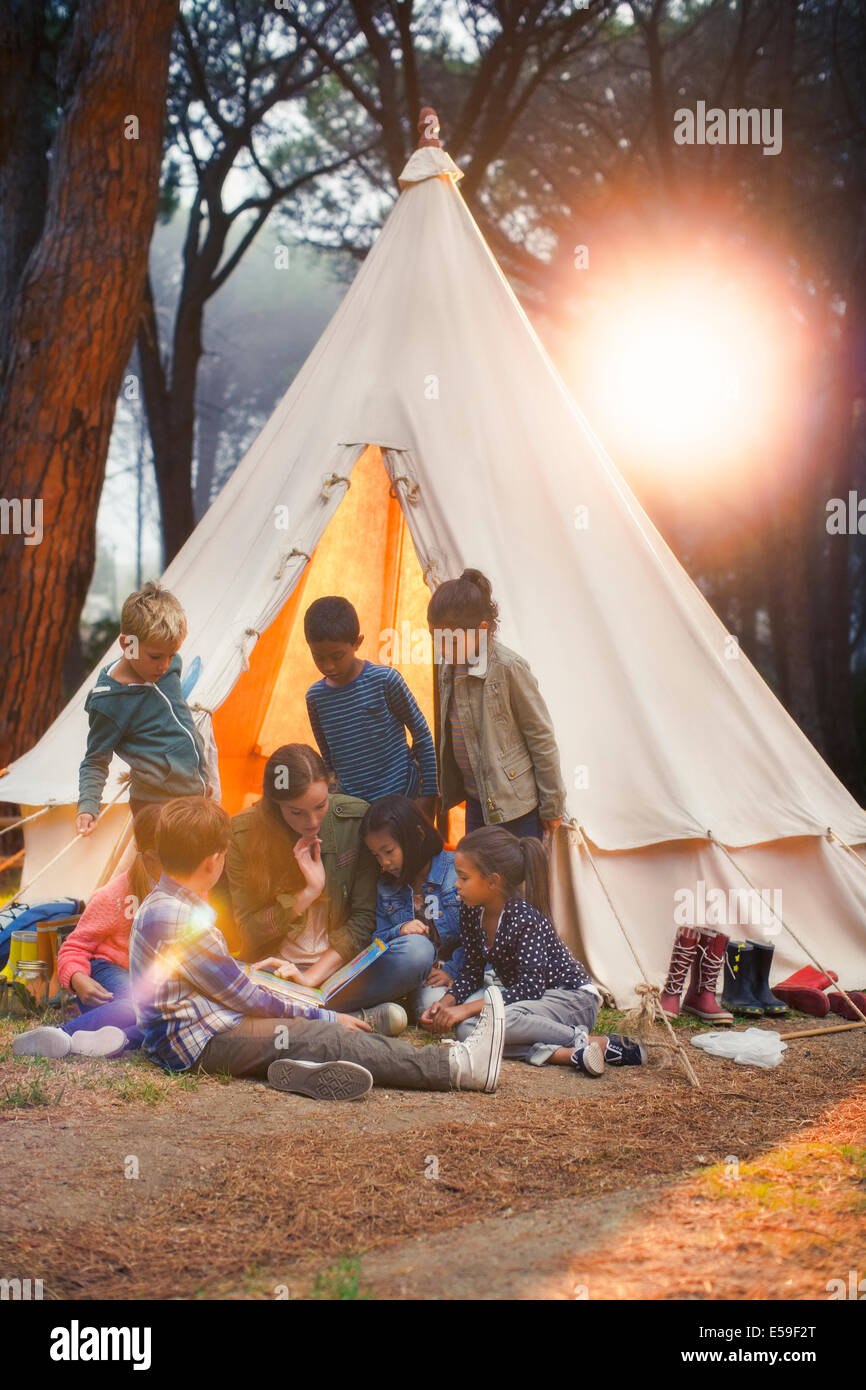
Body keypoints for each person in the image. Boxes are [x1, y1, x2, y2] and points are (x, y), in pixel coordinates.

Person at [130, 796, 506, 1099]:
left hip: (201, 1025)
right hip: (197, 1043)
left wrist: (254, 971)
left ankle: (298, 1063)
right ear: (214, 861)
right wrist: (326, 1017)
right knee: (322, 1035)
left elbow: (216, 981)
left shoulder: (165, 903)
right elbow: (246, 999)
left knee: (296, 1023)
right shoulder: (180, 919)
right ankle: (456, 1067)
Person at [224, 745, 434, 1028]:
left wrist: (311, 978)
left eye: (320, 806)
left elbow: (363, 921)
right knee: (203, 967)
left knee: (417, 952)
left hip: (338, 972)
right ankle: (346, 1018)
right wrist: (307, 894)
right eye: (296, 812)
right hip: (276, 975)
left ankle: (302, 1013)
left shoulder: (354, 820)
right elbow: (247, 932)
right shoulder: (241, 834)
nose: (311, 822)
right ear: (275, 805)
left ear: (330, 788)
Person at [419, 826, 646, 1076]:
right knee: (467, 1030)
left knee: (499, 1020)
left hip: (571, 1000)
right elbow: (471, 970)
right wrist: (444, 1004)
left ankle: (593, 1042)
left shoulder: (523, 918)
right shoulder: (472, 911)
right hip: (530, 1007)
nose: (456, 885)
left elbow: (531, 988)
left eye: (463, 877)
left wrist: (464, 1008)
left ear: (493, 881)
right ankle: (566, 1054)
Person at [12, 805, 162, 1059]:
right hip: (109, 970)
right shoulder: (114, 895)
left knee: (166, 1015)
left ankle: (113, 1040)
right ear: (150, 856)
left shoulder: (184, 892)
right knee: (136, 1005)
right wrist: (77, 978)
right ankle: (59, 1034)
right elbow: (73, 947)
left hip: (150, 979)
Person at [427, 568, 565, 841]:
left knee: (516, 878)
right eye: (437, 640)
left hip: (517, 808)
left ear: (482, 630)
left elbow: (541, 737)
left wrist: (552, 804)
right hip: (476, 801)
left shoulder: (509, 668)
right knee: (479, 876)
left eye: (451, 641)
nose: (443, 649)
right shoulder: (447, 668)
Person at [76, 581, 220, 835]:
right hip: (155, 807)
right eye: (156, 657)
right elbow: (95, 760)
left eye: (171, 654)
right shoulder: (109, 703)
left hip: (194, 791)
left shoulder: (169, 665)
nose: (165, 665)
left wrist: (199, 777)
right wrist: (88, 805)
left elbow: (174, 715)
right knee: (167, 872)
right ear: (127, 644)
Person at [304, 595, 438, 821]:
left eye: (337, 656)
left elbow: (422, 734)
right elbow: (329, 761)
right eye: (318, 658)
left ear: (357, 642)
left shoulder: (385, 681)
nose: (329, 666)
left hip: (404, 801)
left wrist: (429, 795)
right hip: (356, 814)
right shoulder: (316, 698)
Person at [361, 794, 464, 1018]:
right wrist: (400, 931)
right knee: (431, 1005)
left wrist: (452, 970)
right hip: (420, 977)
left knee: (441, 1007)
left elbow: (479, 935)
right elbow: (377, 944)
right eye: (376, 855)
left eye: (389, 852)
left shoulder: (456, 871)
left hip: (461, 970)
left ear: (417, 835)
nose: (384, 863)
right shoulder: (386, 888)